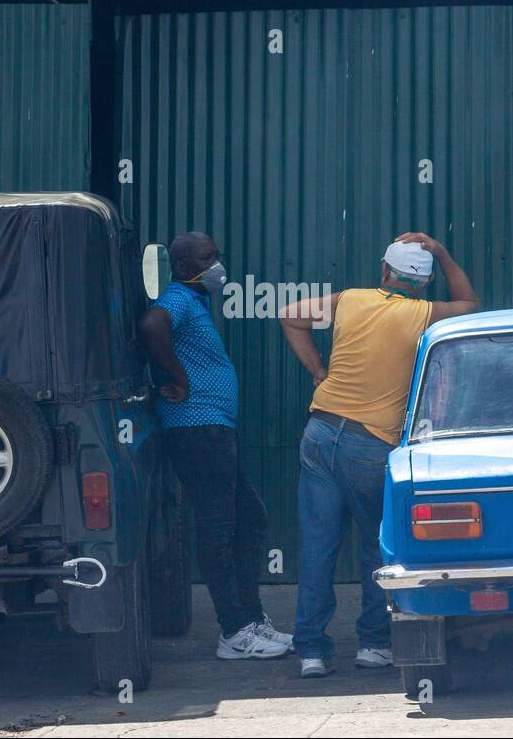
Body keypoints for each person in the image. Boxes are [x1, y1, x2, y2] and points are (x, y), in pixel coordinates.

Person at [278, 232, 478, 677]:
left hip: (321, 431)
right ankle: (372, 644)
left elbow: (289, 316)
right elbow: (469, 305)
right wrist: (443, 252)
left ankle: (311, 652)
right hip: (371, 445)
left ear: (385, 272)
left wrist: (318, 371)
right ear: (422, 283)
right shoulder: (423, 314)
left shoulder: (350, 300)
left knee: (317, 547)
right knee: (376, 545)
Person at [138, 231, 292, 660]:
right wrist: (178, 379)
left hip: (213, 428)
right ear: (184, 266)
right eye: (208, 258)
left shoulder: (194, 301)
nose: (217, 264)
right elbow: (152, 325)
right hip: (195, 428)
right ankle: (233, 631)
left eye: (217, 256)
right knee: (219, 526)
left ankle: (251, 618)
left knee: (250, 518)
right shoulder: (177, 299)